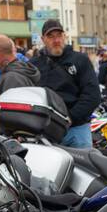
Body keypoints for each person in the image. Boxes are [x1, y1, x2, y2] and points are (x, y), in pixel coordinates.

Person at [32, 19, 99, 147]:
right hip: (46, 132)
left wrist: (69, 118)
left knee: (84, 167)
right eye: (50, 36)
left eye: (59, 35)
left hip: (77, 130)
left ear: (64, 36)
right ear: (43, 39)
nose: (56, 40)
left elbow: (92, 95)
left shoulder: (80, 60)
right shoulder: (35, 64)